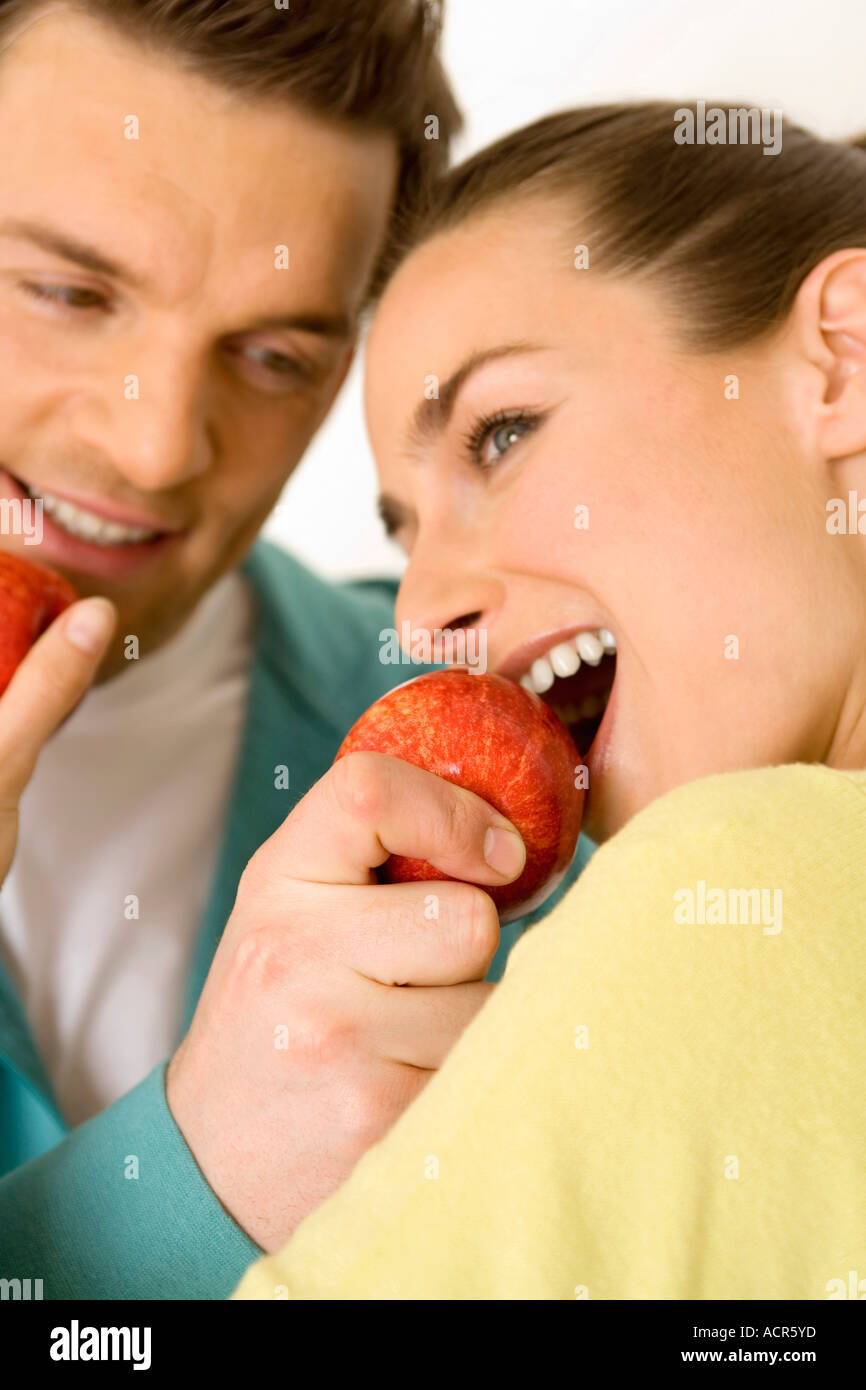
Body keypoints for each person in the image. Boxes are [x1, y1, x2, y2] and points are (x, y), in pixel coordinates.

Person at [231, 103, 866, 1299]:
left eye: (499, 432)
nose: (420, 614)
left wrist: (205, 1164)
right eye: (401, 530)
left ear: (842, 356)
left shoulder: (717, 886)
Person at [0, 0, 545, 1301]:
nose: (156, 447)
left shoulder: (513, 782)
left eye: (273, 354)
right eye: (68, 292)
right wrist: (195, 1181)